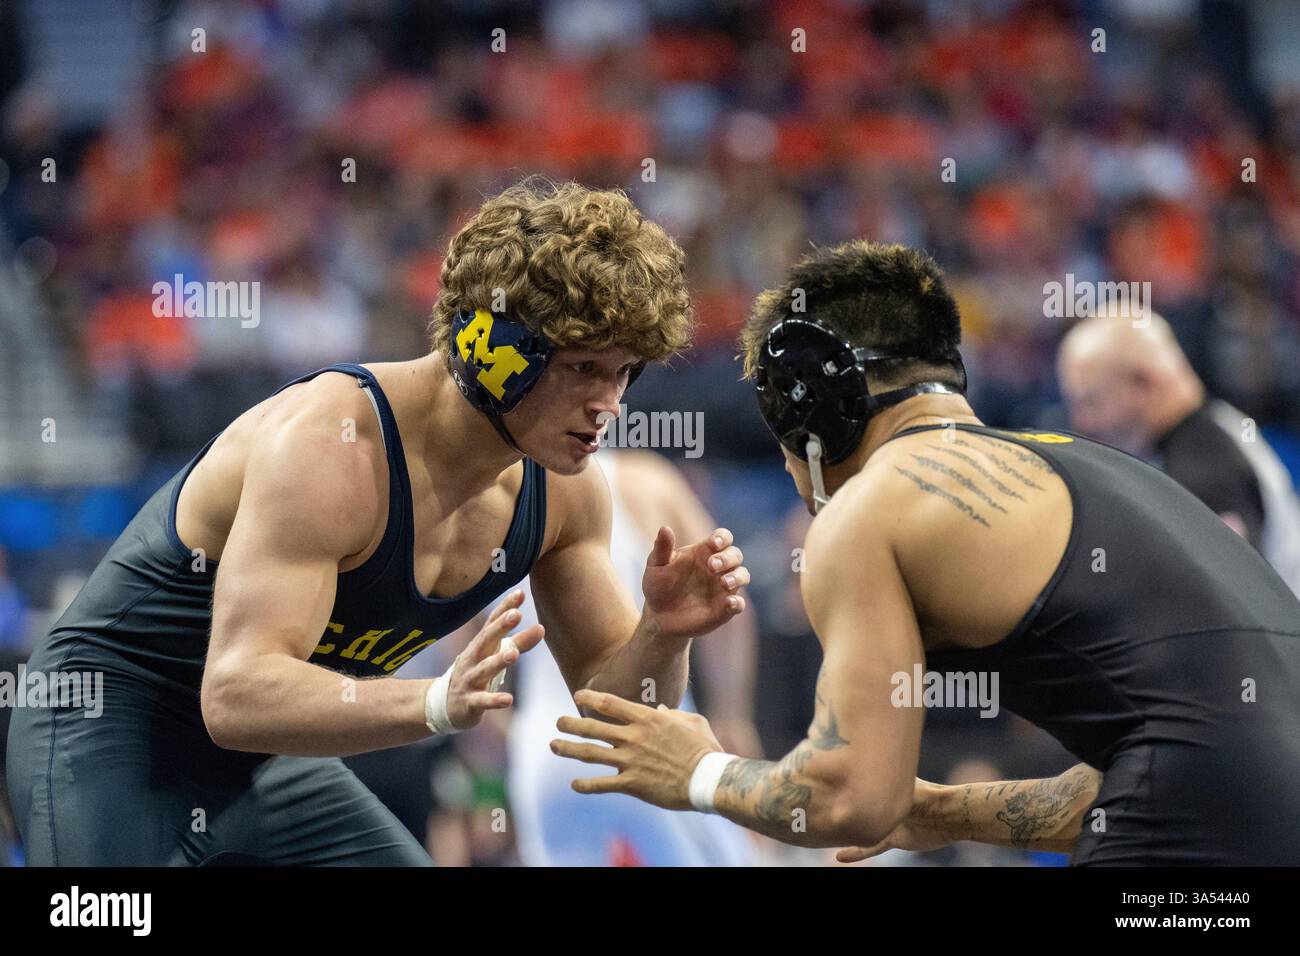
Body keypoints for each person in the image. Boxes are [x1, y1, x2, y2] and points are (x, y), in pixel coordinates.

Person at [5, 180, 748, 866]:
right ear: (493, 350)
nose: (608, 406)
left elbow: (608, 714)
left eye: (623, 375)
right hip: (109, 724)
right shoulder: (331, 448)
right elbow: (234, 693)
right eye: (585, 369)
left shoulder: (562, 493)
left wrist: (663, 632)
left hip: (259, 759)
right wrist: (432, 700)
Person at [552, 240, 1300, 866]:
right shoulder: (1101, 470)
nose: (784, 460)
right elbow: (1173, 764)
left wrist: (698, 772)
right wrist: (945, 811)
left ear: (811, 403)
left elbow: (849, 800)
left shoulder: (870, 509)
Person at [507, 448, 759, 866]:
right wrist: (734, 717)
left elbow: (467, 635)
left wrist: (484, 727)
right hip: (653, 742)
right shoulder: (648, 482)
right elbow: (728, 600)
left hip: (546, 749)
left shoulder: (507, 491)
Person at [1058, 310, 1300, 594]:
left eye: (1091, 401)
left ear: (1143, 381)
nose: (1082, 422)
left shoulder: (1205, 471)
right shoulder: (1213, 430)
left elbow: (1230, 605)